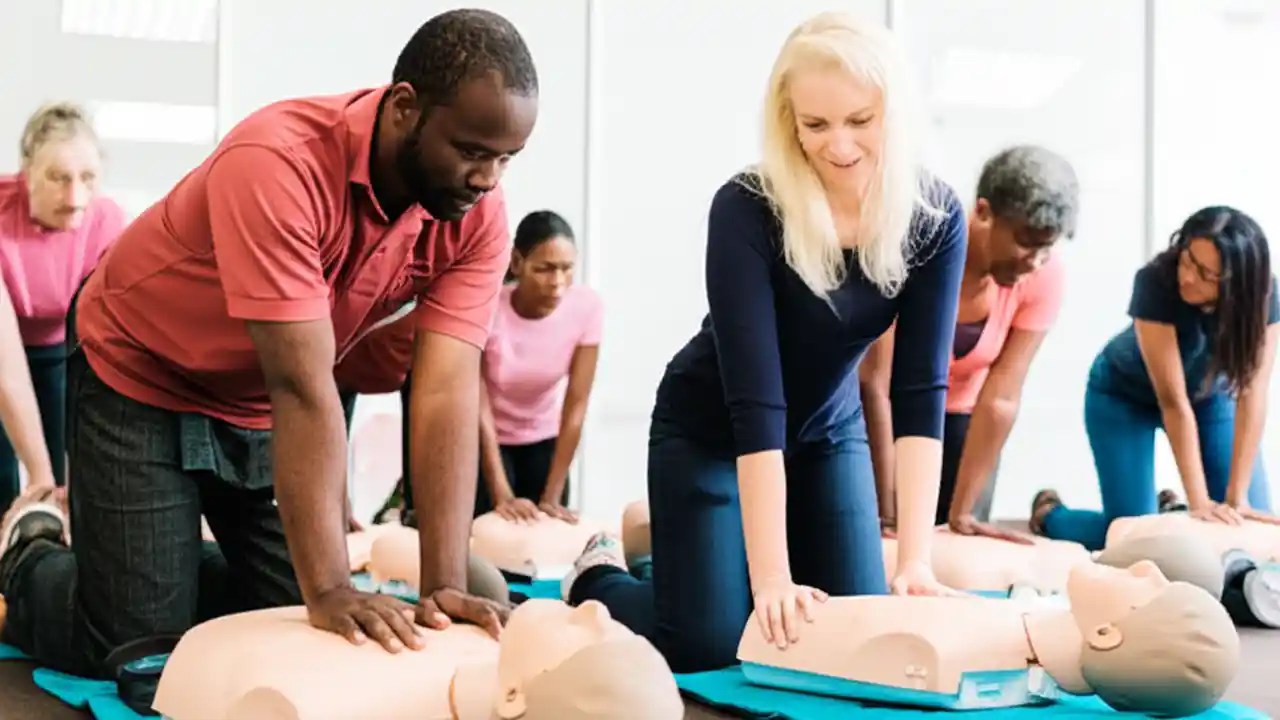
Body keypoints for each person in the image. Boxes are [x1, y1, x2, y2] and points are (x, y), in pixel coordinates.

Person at [0, 8, 539, 681]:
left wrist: (442, 584)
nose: (488, 178)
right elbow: (306, 388)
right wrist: (333, 588)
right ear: (405, 107)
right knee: (143, 653)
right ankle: (30, 552)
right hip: (139, 370)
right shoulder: (278, 162)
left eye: (505, 159)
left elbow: (445, 392)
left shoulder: (476, 215)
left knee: (300, 626)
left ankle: (150, 557)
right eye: (470, 151)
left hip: (254, 398)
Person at [561, 11, 967, 674]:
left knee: (851, 629)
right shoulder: (747, 205)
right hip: (711, 430)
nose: (838, 145)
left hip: (829, 434)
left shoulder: (934, 216)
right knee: (710, 643)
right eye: (816, 125)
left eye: (860, 120)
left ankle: (689, 554)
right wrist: (773, 578)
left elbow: (920, 393)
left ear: (893, 109)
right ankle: (602, 574)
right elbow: (757, 404)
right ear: (787, 120)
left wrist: (916, 560)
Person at [860, 145, 1078, 540]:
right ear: (983, 212)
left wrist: (963, 512)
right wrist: (889, 511)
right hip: (885, 412)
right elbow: (876, 382)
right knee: (886, 545)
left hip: (961, 417)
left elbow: (1001, 398)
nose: (1035, 260)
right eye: (1027, 241)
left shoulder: (1043, 275)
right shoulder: (916, 252)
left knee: (959, 539)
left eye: (1048, 247)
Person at [1033, 206, 1280, 551]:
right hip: (1123, 398)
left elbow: (1252, 391)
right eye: (1189, 259)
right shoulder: (1156, 281)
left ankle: (1170, 512)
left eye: (1207, 274)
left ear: (1236, 286)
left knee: (1249, 523)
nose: (1189, 276)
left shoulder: (1263, 296)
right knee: (1136, 538)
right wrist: (1199, 504)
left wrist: (1237, 498)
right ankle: (1050, 515)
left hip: (1209, 397)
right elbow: (1173, 402)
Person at [737, 555, 1239, 716]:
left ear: (1105, 635)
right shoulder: (1030, 618)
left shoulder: (966, 661)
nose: (1148, 566)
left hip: (781, 633)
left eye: (1146, 589)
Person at [151, 599, 683, 720]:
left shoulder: (305, 708)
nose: (596, 607)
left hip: (199, 646)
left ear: (514, 696)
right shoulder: (496, 642)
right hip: (274, 609)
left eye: (589, 636)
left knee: (141, 614)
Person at [0, 102, 124, 513]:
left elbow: (109, 344)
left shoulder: (108, 223)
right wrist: (37, 474)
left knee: (64, 477)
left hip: (62, 353)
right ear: (27, 173)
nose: (75, 198)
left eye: (87, 178)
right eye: (57, 178)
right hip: (4, 349)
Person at [476, 210, 601, 524]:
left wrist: (552, 494)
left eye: (566, 269)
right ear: (517, 263)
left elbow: (576, 404)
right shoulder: (487, 307)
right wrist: (501, 493)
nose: (557, 283)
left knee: (543, 541)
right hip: (487, 442)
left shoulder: (586, 307)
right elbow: (477, 404)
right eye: (544, 269)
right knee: (492, 540)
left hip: (545, 442)